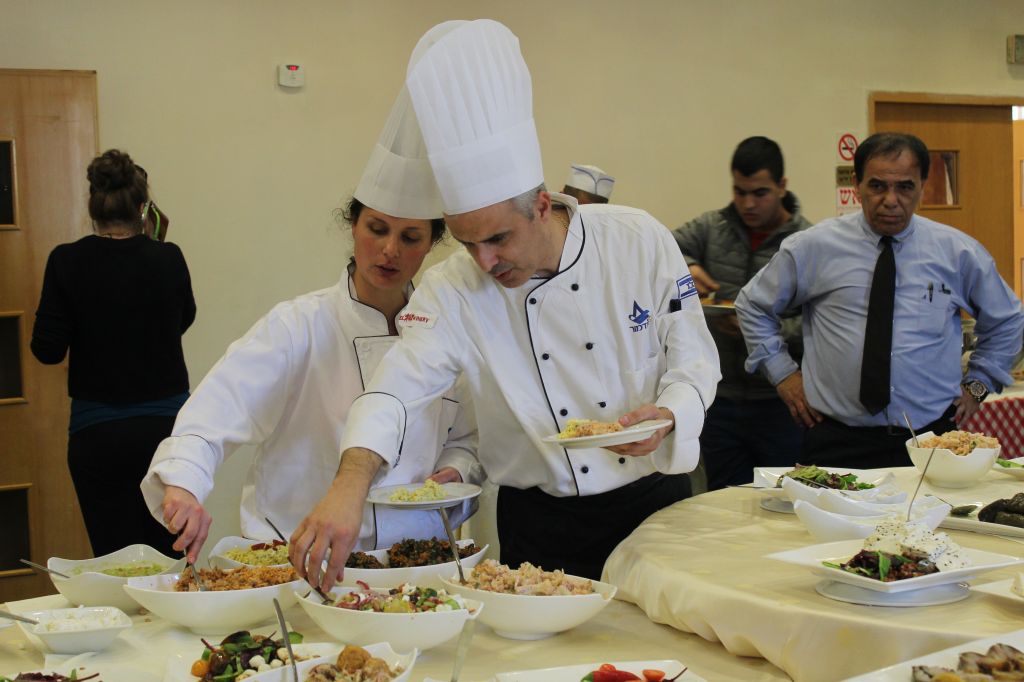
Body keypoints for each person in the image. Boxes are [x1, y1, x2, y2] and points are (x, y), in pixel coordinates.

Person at [290, 19, 719, 587]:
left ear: (542, 205)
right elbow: (394, 389)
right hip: (538, 526)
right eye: (468, 243)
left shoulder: (637, 239)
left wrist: (671, 414)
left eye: (497, 239)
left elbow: (693, 357)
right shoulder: (452, 290)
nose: (485, 262)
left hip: (654, 511)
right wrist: (349, 485)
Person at [141, 86, 482, 563]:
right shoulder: (297, 327)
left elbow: (466, 438)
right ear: (353, 226)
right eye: (377, 229)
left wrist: (454, 468)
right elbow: (215, 412)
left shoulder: (441, 335)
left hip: (416, 558)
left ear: (430, 246)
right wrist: (184, 484)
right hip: (298, 559)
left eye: (410, 237)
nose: (390, 251)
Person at [736, 132, 1024, 469]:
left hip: (930, 441)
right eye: (877, 186)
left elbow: (1008, 320)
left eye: (905, 186)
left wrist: (978, 383)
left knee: (929, 523)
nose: (891, 200)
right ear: (857, 185)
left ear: (922, 184)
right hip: (836, 438)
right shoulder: (813, 248)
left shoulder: (957, 254)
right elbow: (753, 305)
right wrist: (783, 374)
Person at [31, 149, 195, 558]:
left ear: (94, 207)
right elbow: (181, 320)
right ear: (143, 209)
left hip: (97, 434)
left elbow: (46, 350)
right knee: (168, 560)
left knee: (115, 560)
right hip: (166, 431)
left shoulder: (66, 261)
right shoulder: (168, 258)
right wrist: (153, 247)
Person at [673, 137, 811, 490]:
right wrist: (687, 266)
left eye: (760, 193)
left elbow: (819, 321)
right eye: (739, 191)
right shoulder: (711, 227)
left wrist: (763, 329)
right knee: (723, 504)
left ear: (782, 186)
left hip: (781, 401)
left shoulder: (806, 241)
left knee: (783, 501)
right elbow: (662, 246)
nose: (748, 203)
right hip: (721, 398)